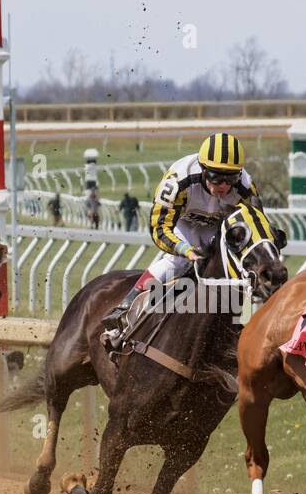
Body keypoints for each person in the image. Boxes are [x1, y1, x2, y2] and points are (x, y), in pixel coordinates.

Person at [100, 132, 264, 348]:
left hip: (216, 224)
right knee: (178, 263)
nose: (224, 186)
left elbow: (253, 226)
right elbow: (159, 228)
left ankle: (236, 326)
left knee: (228, 266)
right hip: (182, 223)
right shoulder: (179, 180)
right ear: (203, 170)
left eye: (230, 178)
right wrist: (185, 250)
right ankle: (124, 312)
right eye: (216, 177)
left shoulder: (245, 187)